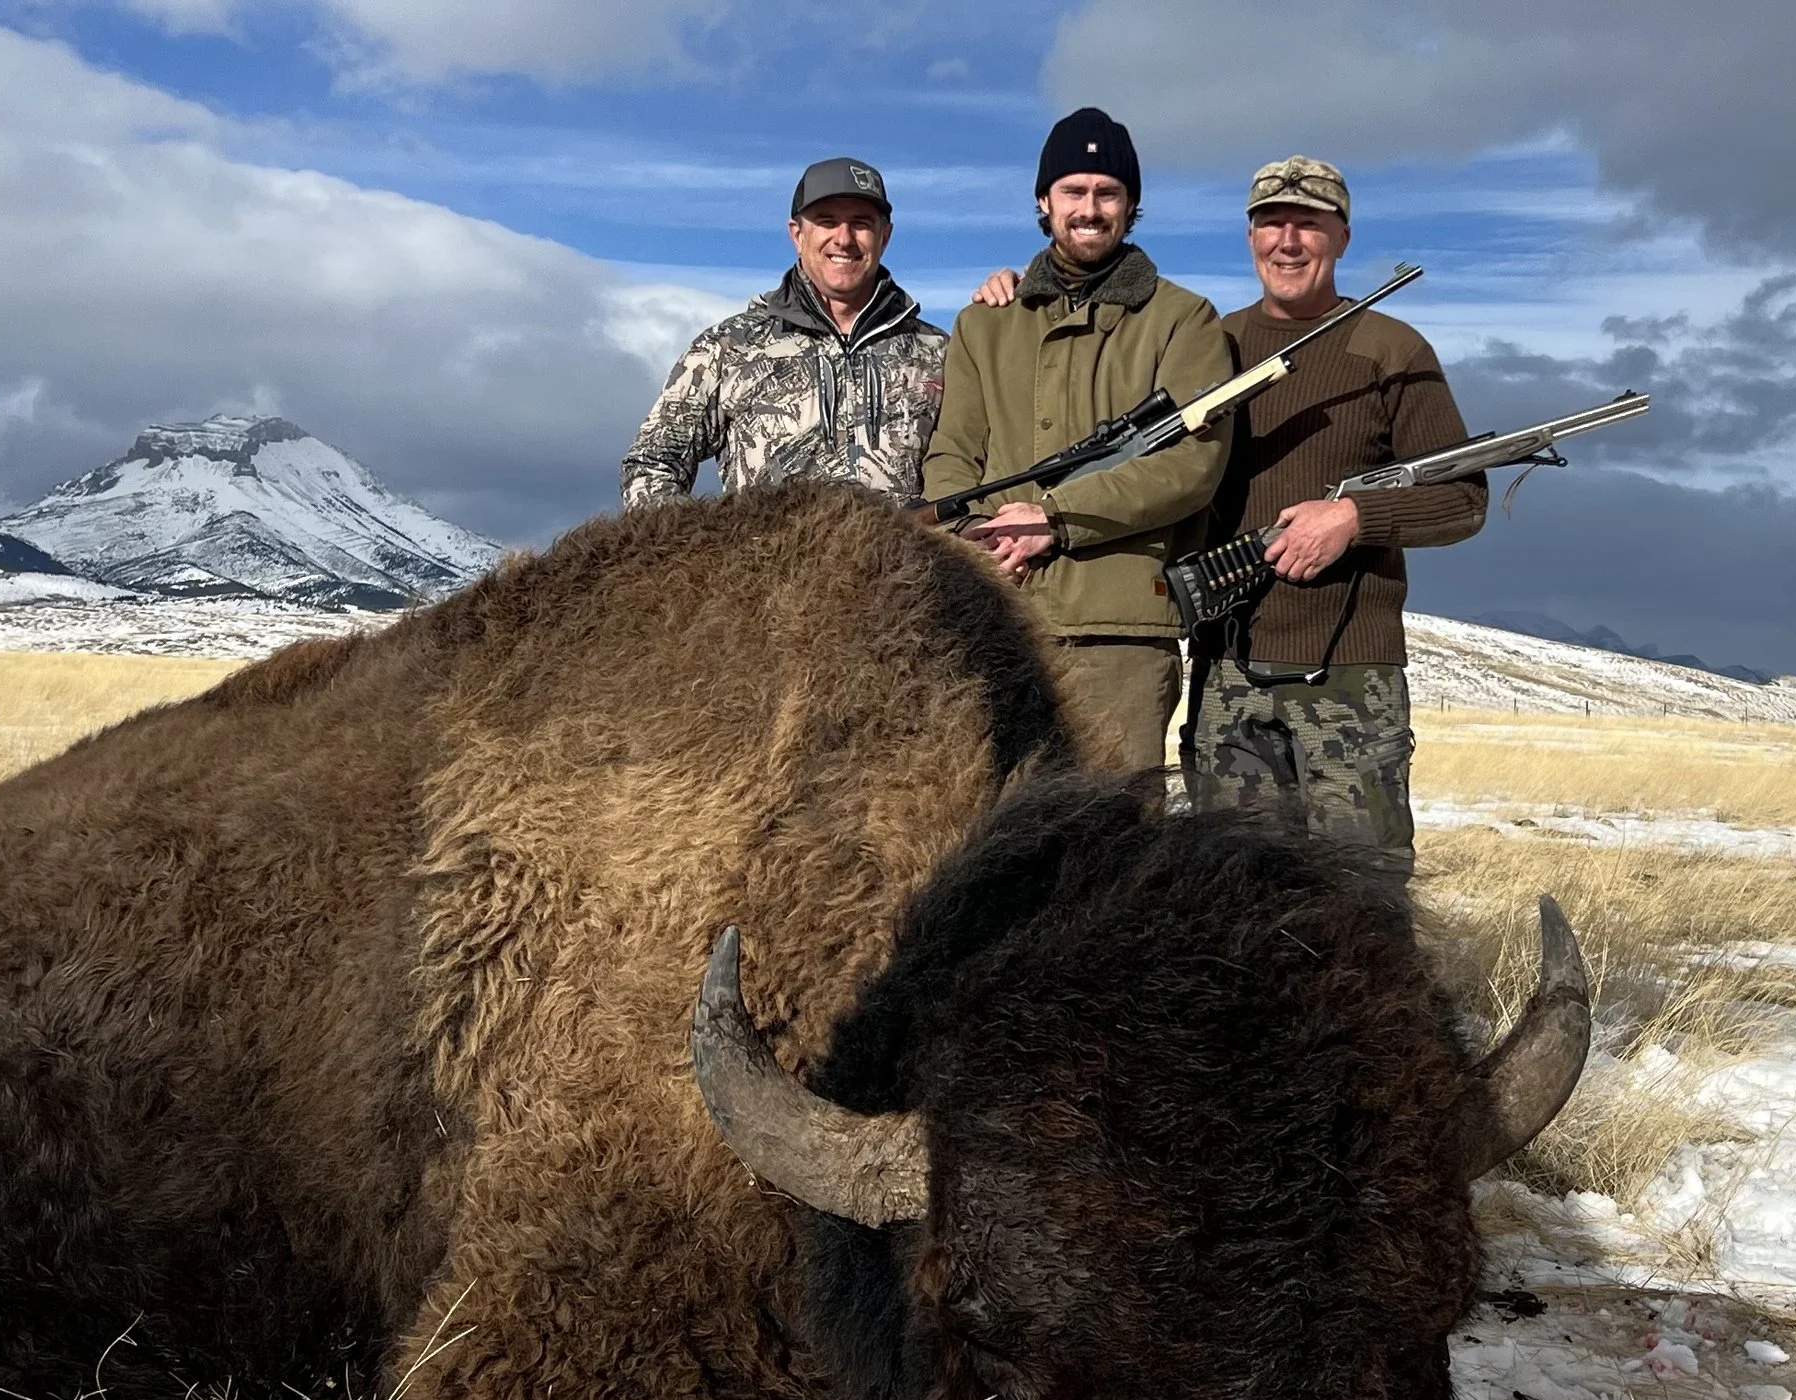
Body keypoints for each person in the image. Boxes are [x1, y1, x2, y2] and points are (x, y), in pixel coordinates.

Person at [1184, 156, 1485, 872]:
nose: (1288, 241)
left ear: (1342, 238)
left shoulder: (1391, 350)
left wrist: (1356, 518)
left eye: (1308, 224)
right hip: (1226, 670)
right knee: (1230, 899)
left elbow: (1464, 498)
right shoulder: (1209, 347)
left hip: (1351, 680)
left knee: (1364, 901)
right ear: (1250, 236)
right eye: (1271, 222)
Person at [923, 108, 1232, 782]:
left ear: (1131, 205)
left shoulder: (1186, 320)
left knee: (1114, 841)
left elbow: (1191, 466)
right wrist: (977, 536)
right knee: (987, 833)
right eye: (1073, 191)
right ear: (1044, 201)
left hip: (1121, 631)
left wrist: (1053, 519)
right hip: (998, 616)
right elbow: (951, 454)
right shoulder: (983, 323)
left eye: (1107, 192)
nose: (1089, 209)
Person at [621, 158, 945, 507]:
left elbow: (975, 464)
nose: (844, 238)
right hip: (764, 560)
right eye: (827, 222)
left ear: (885, 236)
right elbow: (651, 464)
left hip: (905, 559)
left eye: (861, 223)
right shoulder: (728, 346)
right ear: (797, 234)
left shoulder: (939, 352)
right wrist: (707, 550)